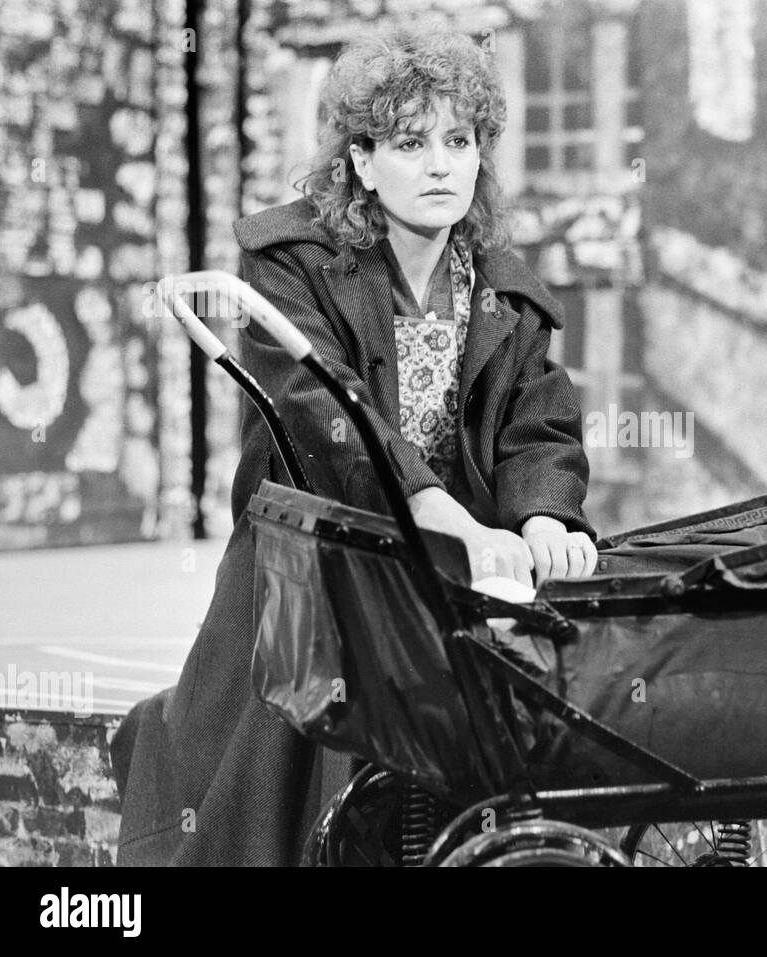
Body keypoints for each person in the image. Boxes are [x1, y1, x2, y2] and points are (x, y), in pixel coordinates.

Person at [113, 25, 596, 865]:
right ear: (363, 160)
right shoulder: (291, 260)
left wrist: (546, 515)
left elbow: (537, 417)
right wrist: (442, 514)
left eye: (460, 140)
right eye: (412, 144)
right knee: (324, 690)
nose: (442, 164)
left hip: (454, 560)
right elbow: (323, 410)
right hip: (318, 545)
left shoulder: (502, 288)